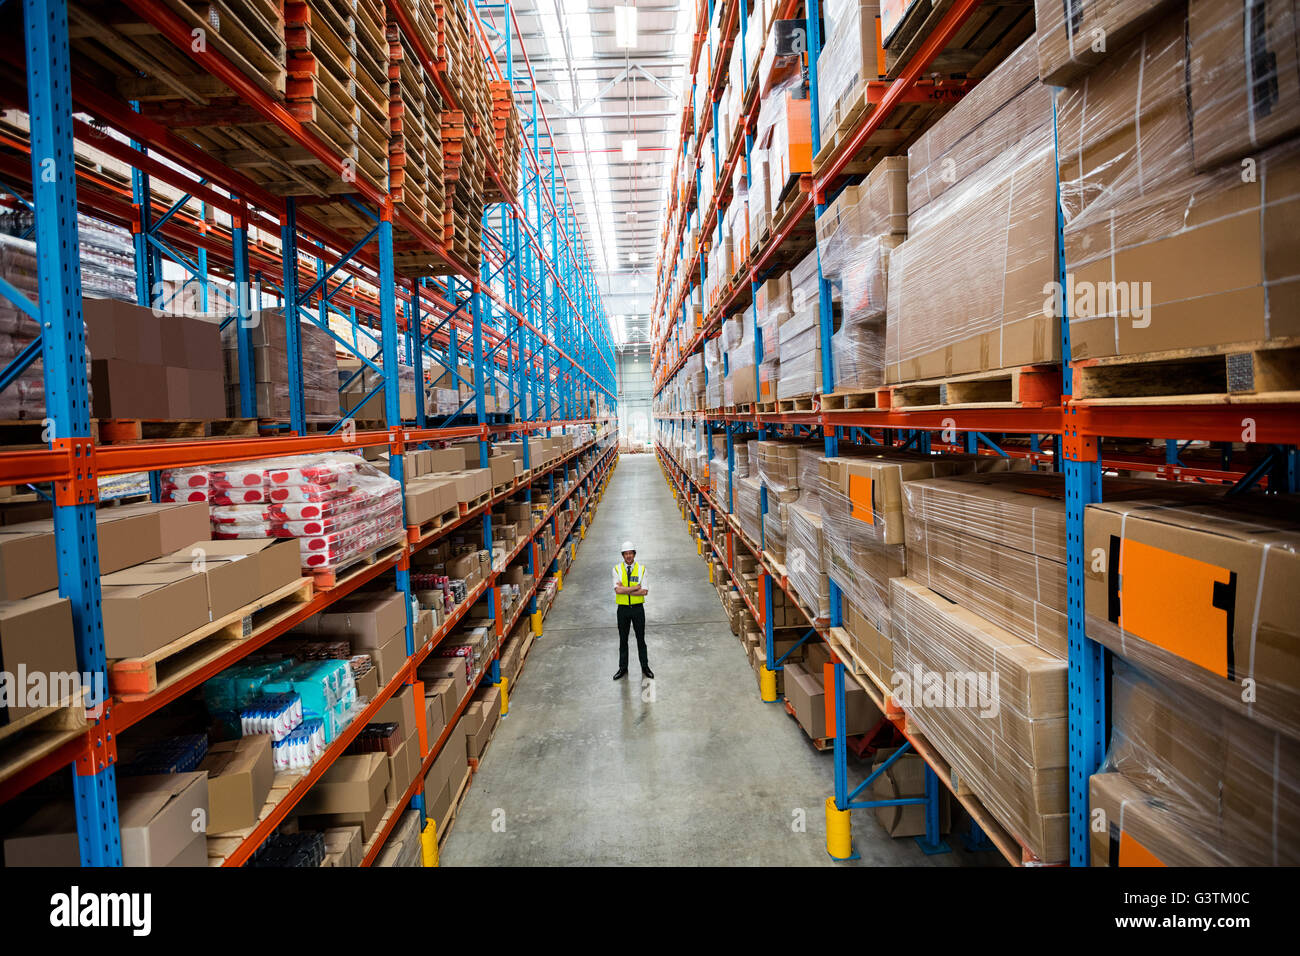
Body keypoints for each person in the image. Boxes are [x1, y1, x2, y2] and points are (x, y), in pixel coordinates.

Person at [612, 540, 653, 680]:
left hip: (637, 610)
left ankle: (645, 666)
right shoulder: (616, 569)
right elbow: (617, 591)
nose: (628, 556)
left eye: (631, 553)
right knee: (623, 640)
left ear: (634, 554)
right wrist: (635, 588)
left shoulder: (642, 569)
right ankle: (623, 668)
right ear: (622, 555)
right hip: (622, 610)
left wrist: (625, 589)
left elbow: (644, 592)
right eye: (626, 554)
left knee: (641, 639)